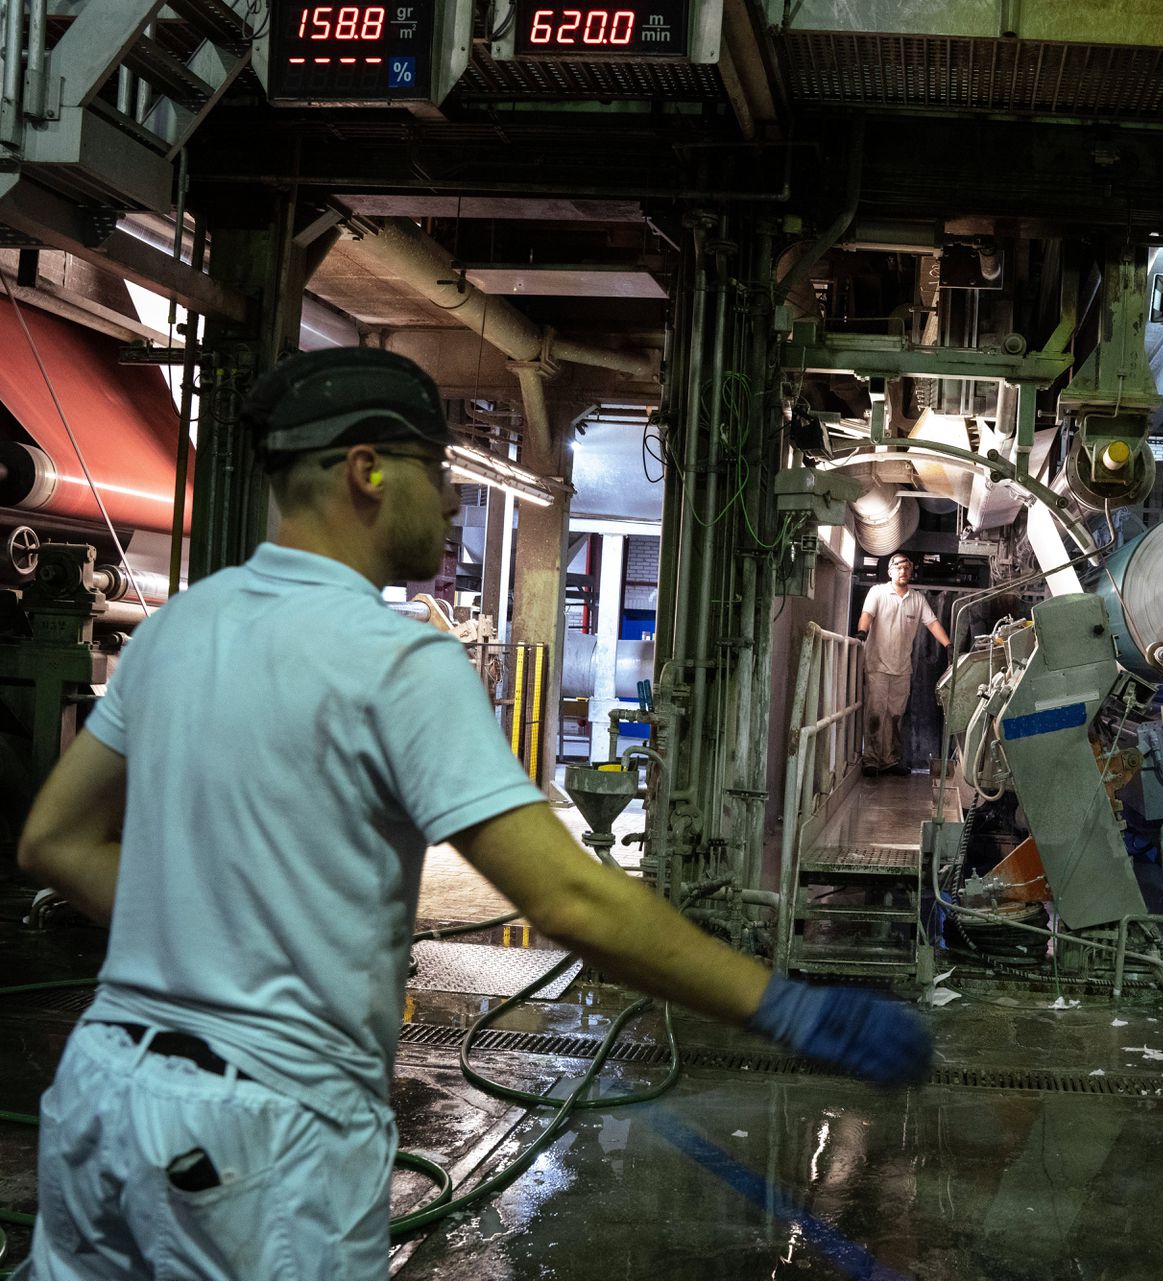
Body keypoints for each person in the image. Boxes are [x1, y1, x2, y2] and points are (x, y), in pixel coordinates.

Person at [16, 348, 930, 1280]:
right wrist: (780, 1005)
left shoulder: (178, 628)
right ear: (366, 470)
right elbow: (573, 900)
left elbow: (54, 838)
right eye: (437, 469)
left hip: (103, 1095)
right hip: (263, 1131)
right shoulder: (396, 662)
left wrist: (207, 932)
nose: (454, 498)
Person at [856, 552, 950, 777]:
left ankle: (890, 760)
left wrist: (948, 645)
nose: (903, 570)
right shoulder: (878, 592)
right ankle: (871, 760)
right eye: (898, 566)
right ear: (890, 571)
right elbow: (867, 614)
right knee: (876, 714)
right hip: (877, 665)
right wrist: (862, 632)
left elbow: (932, 622)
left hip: (901, 669)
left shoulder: (917, 599)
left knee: (895, 716)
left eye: (907, 567)